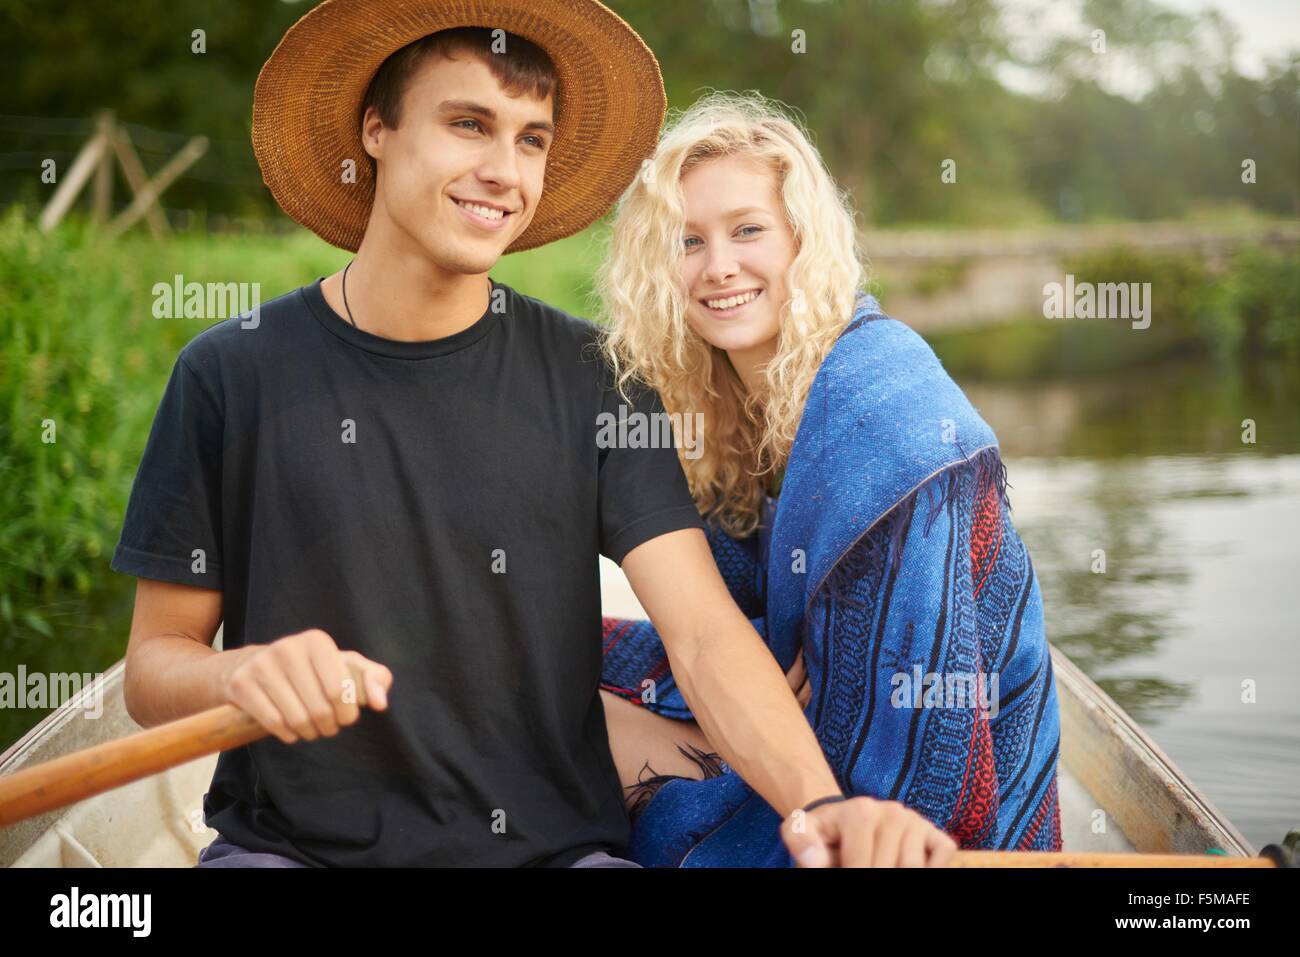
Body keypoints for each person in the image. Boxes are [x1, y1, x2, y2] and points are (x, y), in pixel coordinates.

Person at [112, 0, 956, 868]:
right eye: (469, 124)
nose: (503, 171)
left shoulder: (600, 379)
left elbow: (702, 633)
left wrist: (820, 807)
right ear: (376, 130)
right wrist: (236, 676)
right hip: (288, 855)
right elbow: (152, 671)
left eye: (531, 140)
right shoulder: (228, 375)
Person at [595, 91, 1064, 866]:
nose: (719, 267)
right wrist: (788, 652)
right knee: (545, 671)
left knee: (568, 741)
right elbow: (728, 627)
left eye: (748, 230)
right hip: (809, 733)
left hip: (934, 809)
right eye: (687, 242)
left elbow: (929, 738)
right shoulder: (723, 409)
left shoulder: (878, 402)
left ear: (803, 241)